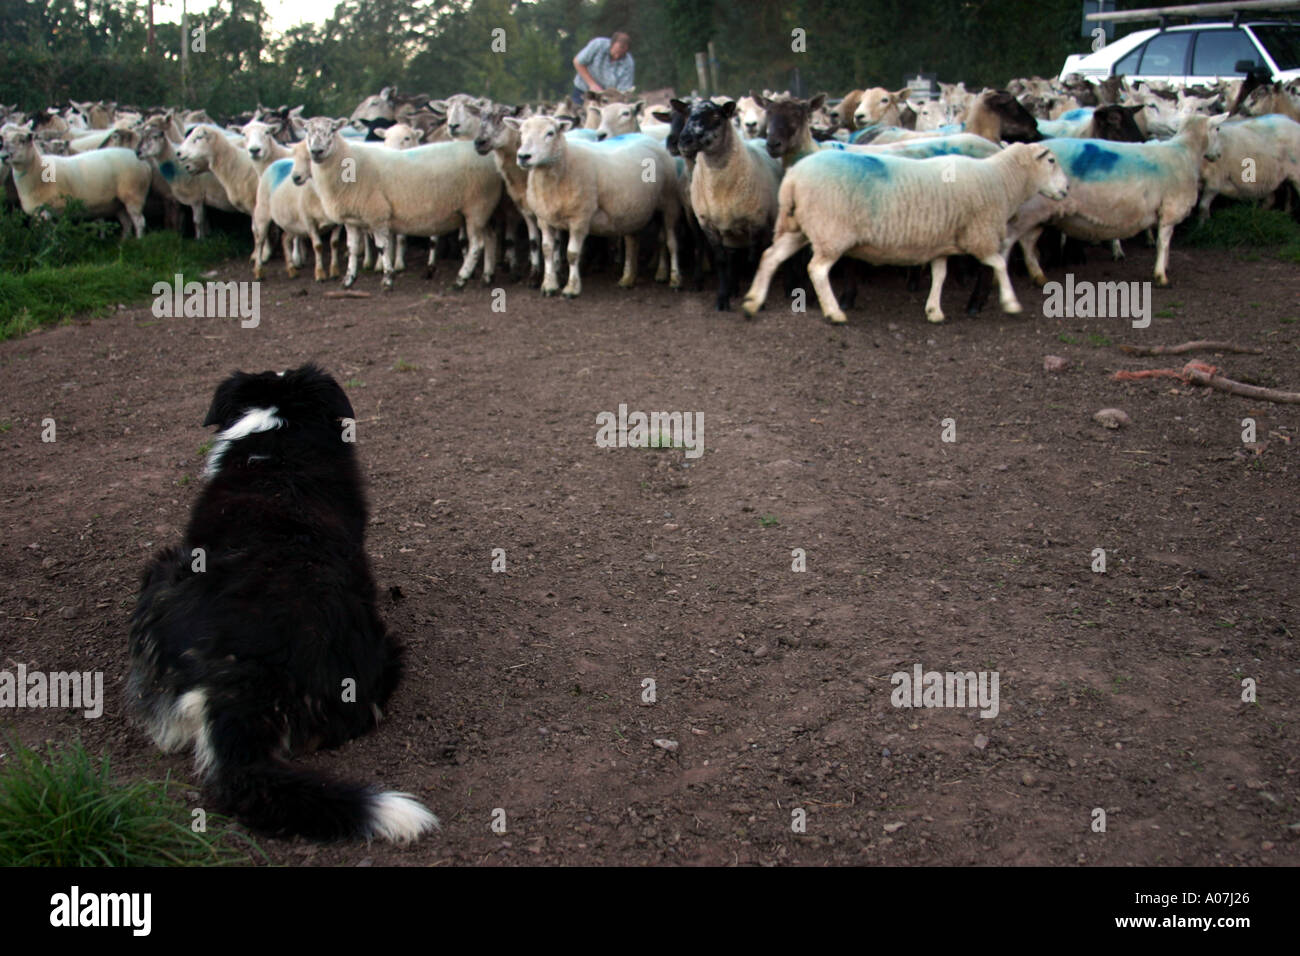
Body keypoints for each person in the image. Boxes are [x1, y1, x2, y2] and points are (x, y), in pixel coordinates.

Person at [572, 31, 635, 105]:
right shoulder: (598, 45)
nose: (617, 56)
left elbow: (623, 90)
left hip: (608, 99)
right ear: (611, 44)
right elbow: (578, 62)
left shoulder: (628, 63)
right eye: (615, 52)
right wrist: (592, 84)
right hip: (583, 90)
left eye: (621, 54)